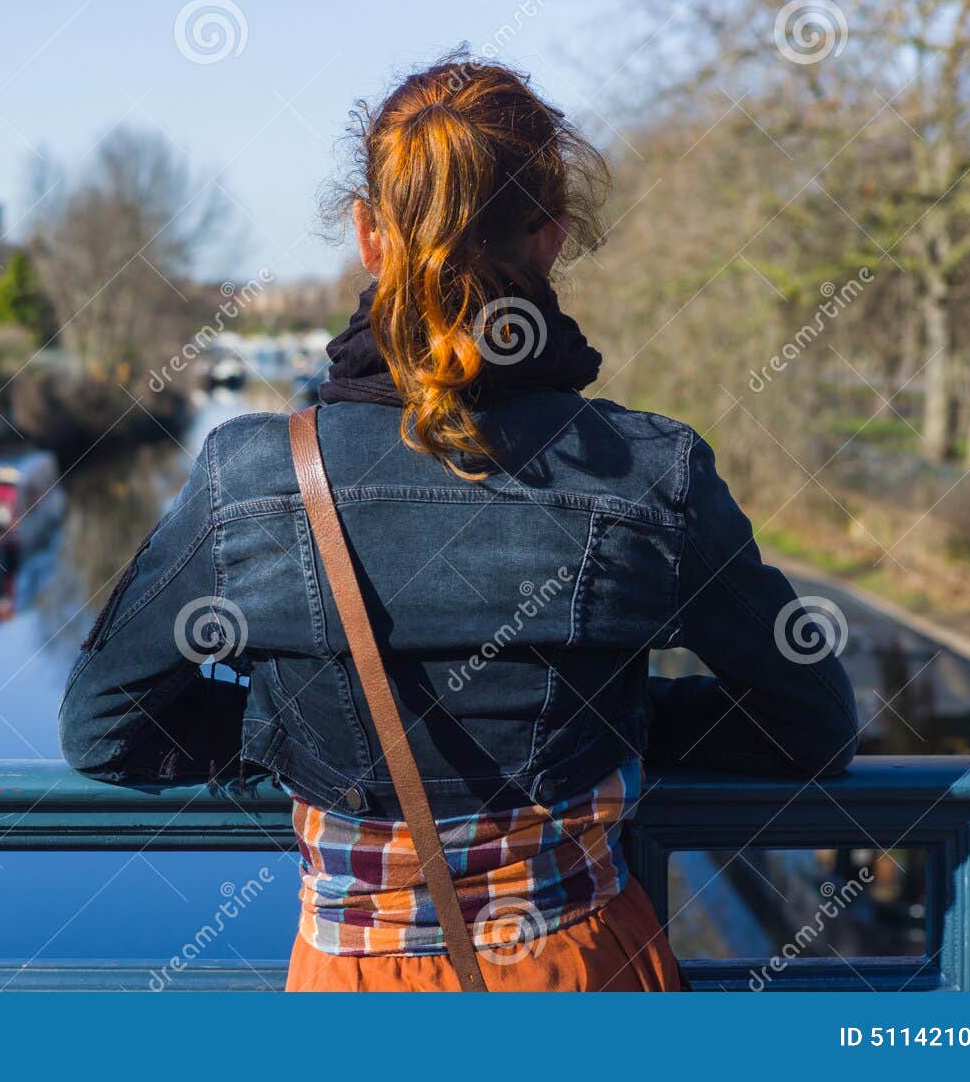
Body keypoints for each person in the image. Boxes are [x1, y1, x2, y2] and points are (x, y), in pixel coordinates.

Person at [59, 57, 859, 992]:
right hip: (585, 972)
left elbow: (105, 729)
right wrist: (618, 718)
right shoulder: (653, 472)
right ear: (552, 236)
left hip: (352, 990)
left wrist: (285, 726)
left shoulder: (252, 477)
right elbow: (812, 726)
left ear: (368, 233)